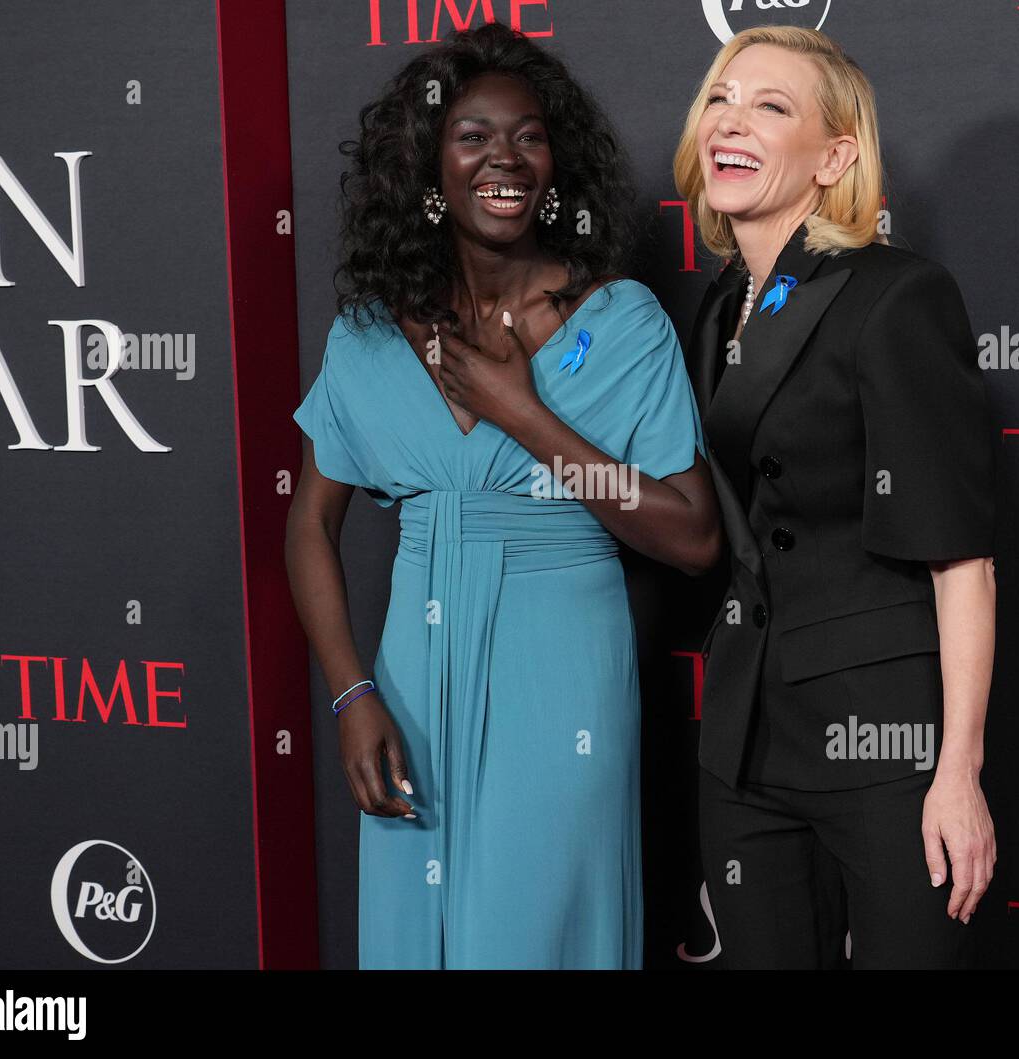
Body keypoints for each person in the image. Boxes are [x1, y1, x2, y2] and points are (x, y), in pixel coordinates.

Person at [285, 22, 721, 969]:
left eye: (529, 135)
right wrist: (352, 693)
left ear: (555, 160)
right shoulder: (369, 334)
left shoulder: (617, 321)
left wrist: (526, 417)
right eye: (473, 135)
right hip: (410, 675)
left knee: (537, 925)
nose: (505, 158)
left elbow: (691, 536)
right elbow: (309, 525)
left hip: (561, 670)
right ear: (427, 163)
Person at [673, 25, 998, 969]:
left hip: (885, 748)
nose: (732, 121)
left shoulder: (897, 296)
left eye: (772, 106)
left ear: (835, 157)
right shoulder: (716, 302)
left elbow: (963, 560)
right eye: (722, 100)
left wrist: (958, 776)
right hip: (741, 744)